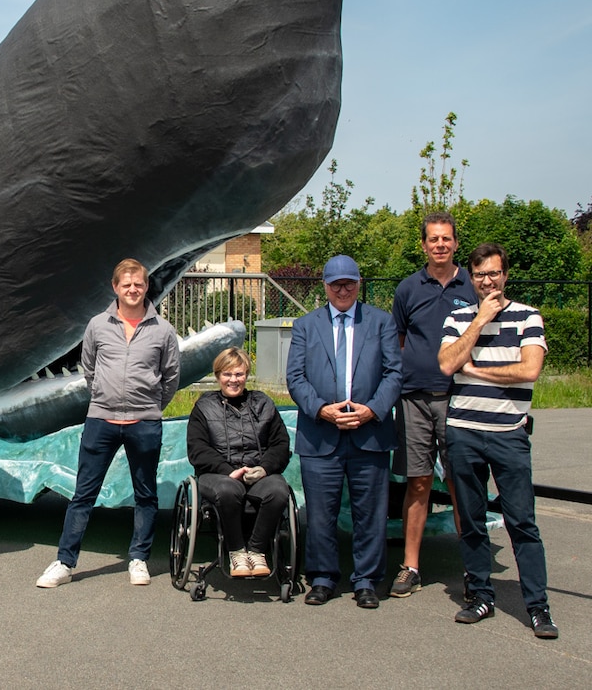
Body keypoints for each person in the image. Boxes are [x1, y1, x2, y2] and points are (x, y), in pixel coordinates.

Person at [438, 242, 557, 639]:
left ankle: (538, 607)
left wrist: (479, 371)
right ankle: (480, 595)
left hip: (508, 434)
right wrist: (480, 321)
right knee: (471, 522)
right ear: (470, 278)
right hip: (464, 432)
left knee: (523, 522)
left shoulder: (528, 317)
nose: (487, 281)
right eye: (479, 275)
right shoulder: (458, 318)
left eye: (493, 273)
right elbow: (447, 364)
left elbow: (530, 370)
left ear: (506, 274)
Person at [35, 259, 178, 589]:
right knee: (83, 495)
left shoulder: (163, 330)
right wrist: (103, 396)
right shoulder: (98, 325)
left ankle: (139, 558)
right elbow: (89, 368)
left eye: (138, 284)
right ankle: (64, 561)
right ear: (115, 287)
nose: (133, 289)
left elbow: (170, 377)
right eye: (126, 284)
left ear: (146, 287)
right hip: (101, 421)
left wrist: (151, 407)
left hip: (144, 423)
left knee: (145, 495)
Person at [287, 254, 401, 609]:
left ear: (358, 284)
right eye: (336, 284)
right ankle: (322, 578)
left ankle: (366, 580)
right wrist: (322, 409)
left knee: (371, 513)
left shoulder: (381, 322)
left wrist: (372, 410)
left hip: (370, 434)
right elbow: (295, 377)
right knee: (321, 513)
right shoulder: (306, 325)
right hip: (321, 434)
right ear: (325, 286)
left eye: (349, 283)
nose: (343, 289)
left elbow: (394, 373)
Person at [389, 212, 476, 598]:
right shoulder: (408, 289)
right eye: (433, 239)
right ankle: (410, 566)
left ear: (456, 243)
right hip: (416, 399)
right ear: (423, 245)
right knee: (419, 481)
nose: (440, 245)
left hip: (461, 398)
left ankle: (475, 568)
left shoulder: (473, 287)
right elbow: (400, 341)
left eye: (446, 239)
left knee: (462, 481)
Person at [186, 347, 291, 579]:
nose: (233, 380)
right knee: (227, 489)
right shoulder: (204, 407)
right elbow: (198, 449)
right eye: (227, 374)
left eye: (239, 374)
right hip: (218, 475)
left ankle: (256, 550)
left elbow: (281, 444)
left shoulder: (264, 403)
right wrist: (228, 471)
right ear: (218, 376)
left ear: (246, 375)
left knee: (278, 490)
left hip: (259, 473)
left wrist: (264, 469)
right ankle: (236, 551)